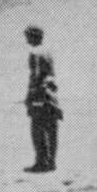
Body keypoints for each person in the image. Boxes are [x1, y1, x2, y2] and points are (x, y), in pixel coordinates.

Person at [23, 25, 62, 173]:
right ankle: (51, 162)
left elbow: (36, 76)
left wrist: (30, 96)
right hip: (51, 95)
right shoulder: (48, 52)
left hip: (40, 93)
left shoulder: (35, 52)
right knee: (51, 129)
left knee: (37, 128)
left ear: (33, 36)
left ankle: (41, 162)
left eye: (27, 36)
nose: (26, 39)